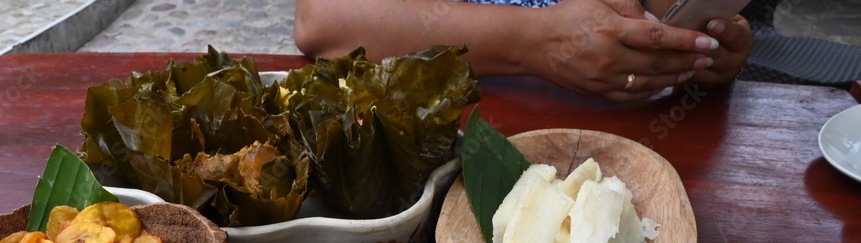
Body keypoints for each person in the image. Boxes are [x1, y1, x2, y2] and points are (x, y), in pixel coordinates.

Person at [293, 0, 753, 102]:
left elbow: (658, 15)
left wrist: (693, 43)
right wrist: (532, 42)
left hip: (617, 135)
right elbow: (325, 22)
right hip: (440, 139)